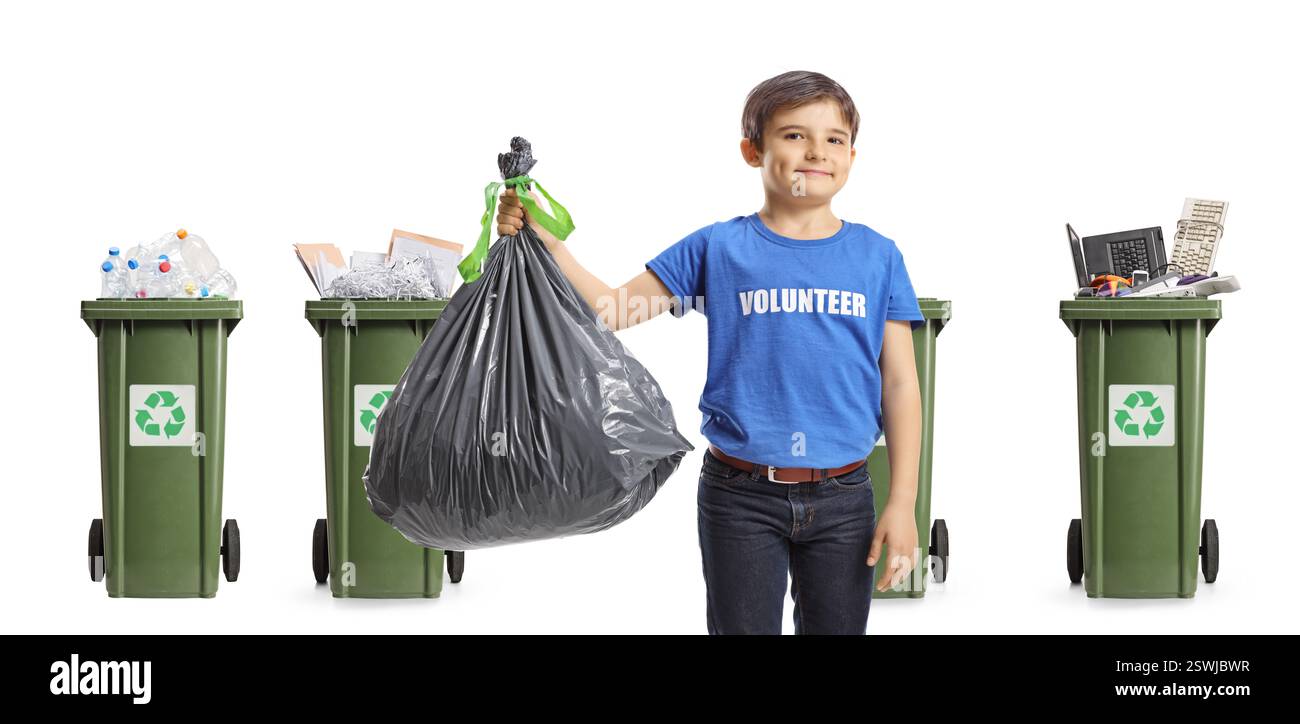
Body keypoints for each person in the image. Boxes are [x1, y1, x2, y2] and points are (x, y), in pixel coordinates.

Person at [496, 70, 924, 635]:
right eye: (795, 135)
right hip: (739, 497)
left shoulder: (879, 256)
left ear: (852, 154)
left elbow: (900, 385)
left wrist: (903, 502)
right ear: (753, 150)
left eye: (835, 139)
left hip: (846, 496)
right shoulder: (718, 248)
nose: (817, 151)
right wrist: (550, 244)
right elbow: (613, 312)